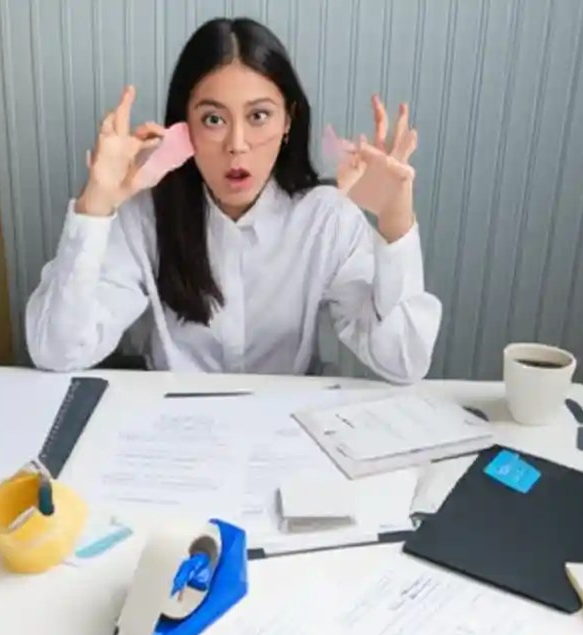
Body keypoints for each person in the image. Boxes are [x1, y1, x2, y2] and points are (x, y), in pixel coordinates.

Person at [24, 17, 441, 383]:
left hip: (286, 430)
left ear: (288, 121)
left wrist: (394, 218)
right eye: (213, 120)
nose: (237, 145)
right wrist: (95, 204)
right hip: (169, 429)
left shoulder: (326, 218)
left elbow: (404, 363)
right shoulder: (145, 216)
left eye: (258, 116)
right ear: (183, 126)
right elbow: (56, 352)